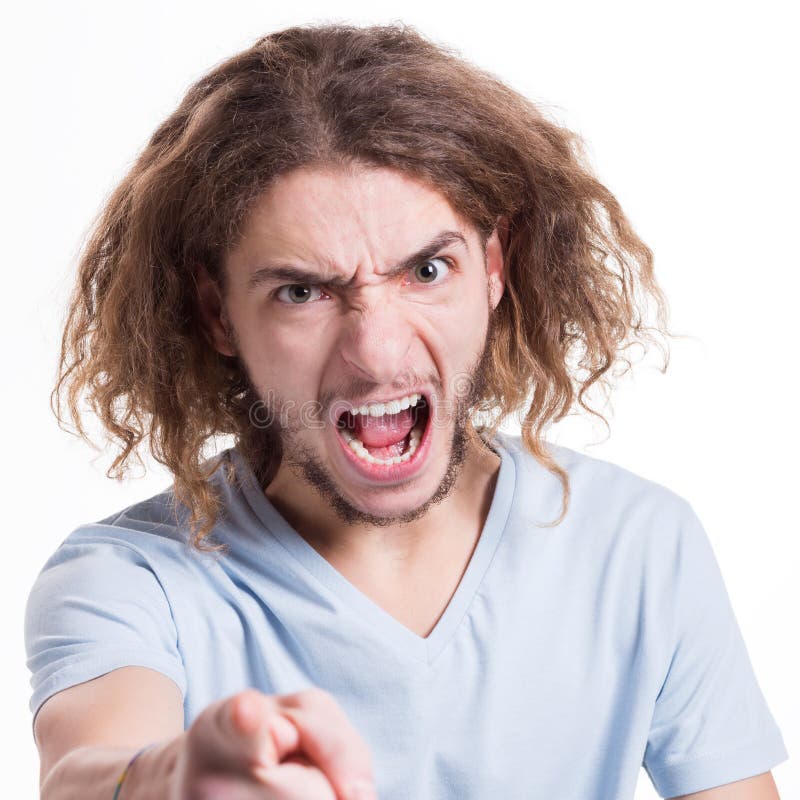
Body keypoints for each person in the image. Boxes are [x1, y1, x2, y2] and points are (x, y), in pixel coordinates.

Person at [25, 21, 788, 800]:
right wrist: (171, 777)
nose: (380, 354)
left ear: (492, 270)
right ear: (217, 313)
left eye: (427, 269)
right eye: (302, 292)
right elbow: (88, 770)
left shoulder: (639, 547)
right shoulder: (129, 579)